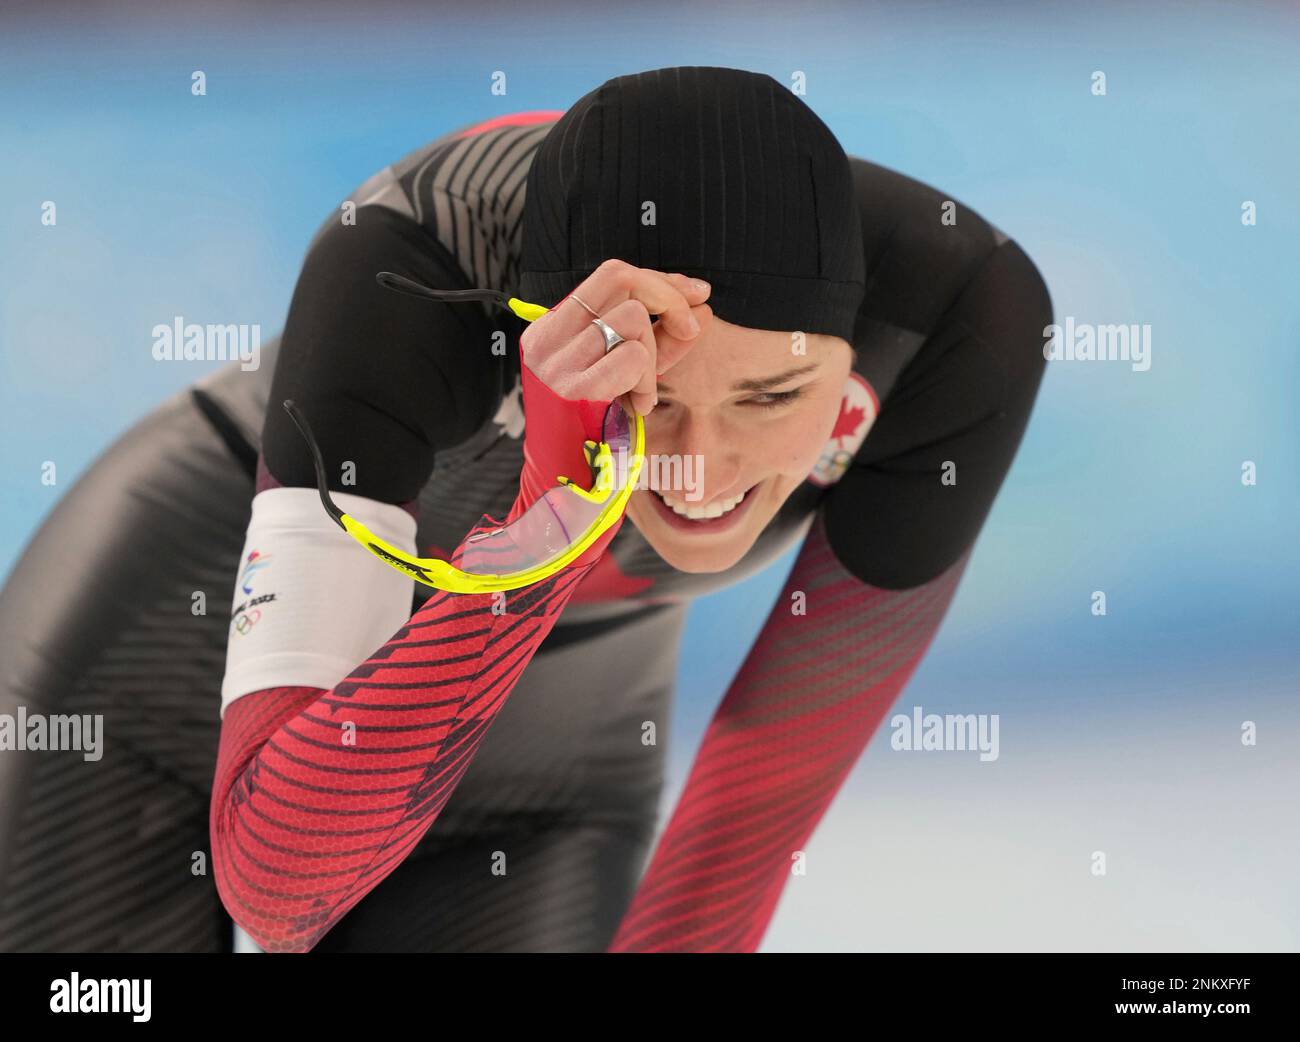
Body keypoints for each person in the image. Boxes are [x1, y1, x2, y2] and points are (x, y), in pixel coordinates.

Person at [201, 64, 1053, 954]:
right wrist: (558, 504)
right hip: (190, 605)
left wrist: (557, 530)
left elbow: (736, 854)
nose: (696, 467)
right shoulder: (407, 269)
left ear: (854, 359)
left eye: (769, 399)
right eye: (649, 399)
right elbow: (274, 889)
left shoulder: (956, 312)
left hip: (564, 672)